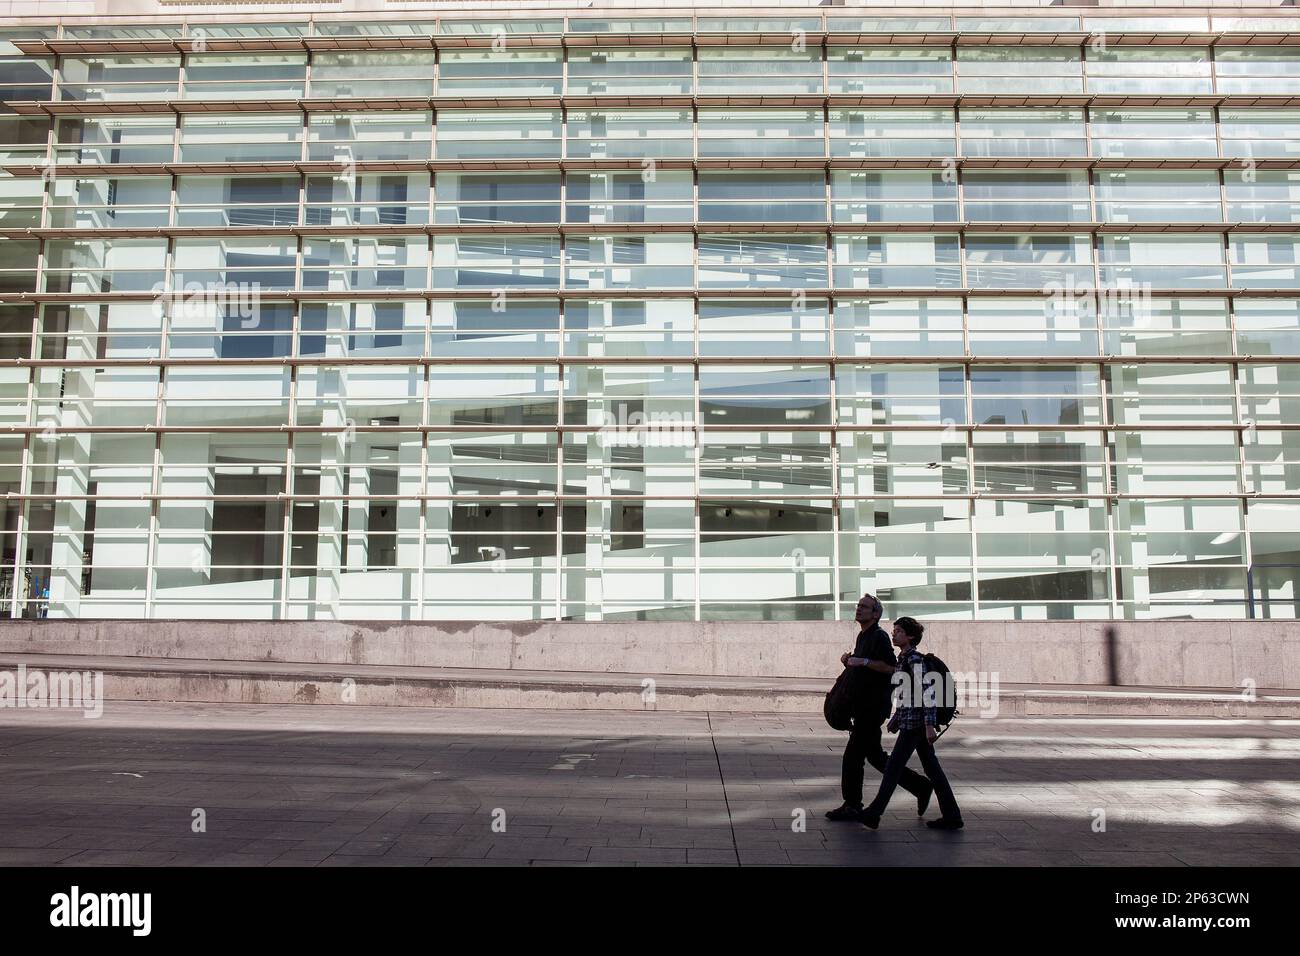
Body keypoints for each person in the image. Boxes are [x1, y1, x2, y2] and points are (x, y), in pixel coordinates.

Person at [824, 594, 933, 822]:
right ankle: (921, 786)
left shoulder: (880, 636)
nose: (859, 609)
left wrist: (862, 662)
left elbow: (892, 668)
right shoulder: (863, 636)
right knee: (876, 757)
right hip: (863, 707)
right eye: (858, 606)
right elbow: (865, 668)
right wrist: (851, 661)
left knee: (852, 756)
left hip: (872, 708)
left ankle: (853, 805)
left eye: (865, 607)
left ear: (876, 614)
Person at [860, 616, 963, 831]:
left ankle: (874, 813)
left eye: (898, 631)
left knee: (893, 769)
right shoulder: (903, 659)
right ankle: (952, 815)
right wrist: (898, 717)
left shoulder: (914, 659)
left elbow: (927, 692)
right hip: (910, 722)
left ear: (910, 637)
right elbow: (907, 693)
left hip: (916, 726)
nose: (894, 634)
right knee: (932, 769)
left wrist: (928, 725)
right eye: (894, 630)